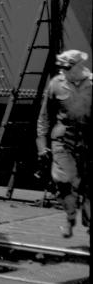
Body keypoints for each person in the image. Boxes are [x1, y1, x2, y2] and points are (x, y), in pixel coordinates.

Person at [36, 49, 92, 238]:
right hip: (62, 139)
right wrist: (41, 145)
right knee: (65, 181)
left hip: (87, 139)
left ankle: (88, 220)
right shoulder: (56, 84)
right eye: (62, 67)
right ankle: (69, 219)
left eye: (68, 67)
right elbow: (44, 117)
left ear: (79, 65)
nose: (64, 71)